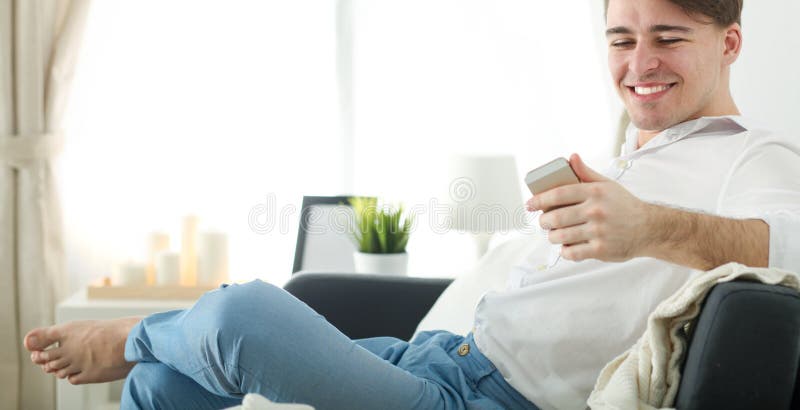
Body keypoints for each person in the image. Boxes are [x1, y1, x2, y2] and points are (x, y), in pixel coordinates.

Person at [23, 0, 800, 408]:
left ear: (729, 42)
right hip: (436, 358)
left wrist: (646, 227)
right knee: (164, 386)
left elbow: (791, 245)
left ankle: (130, 335)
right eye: (621, 39)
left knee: (236, 317)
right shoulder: (634, 152)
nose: (639, 63)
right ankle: (150, 351)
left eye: (668, 37)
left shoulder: (752, 154)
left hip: (485, 402)